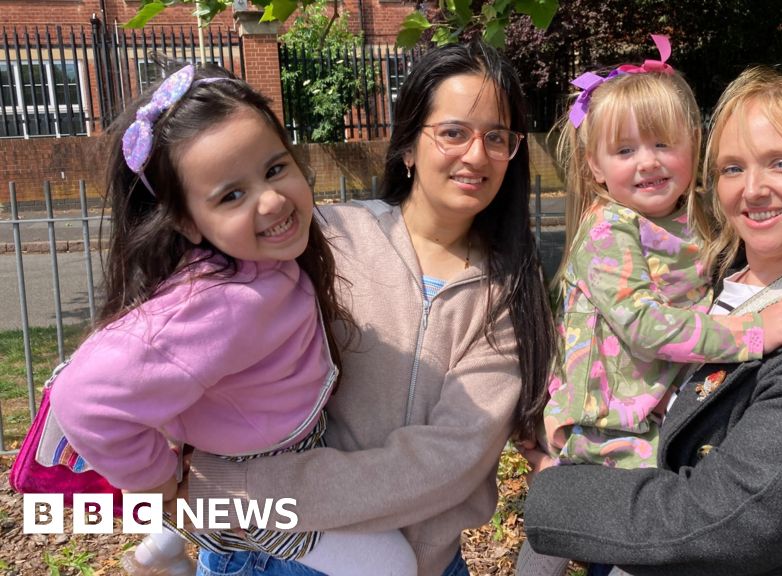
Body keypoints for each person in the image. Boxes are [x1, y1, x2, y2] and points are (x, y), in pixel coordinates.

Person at [522, 66, 782, 575]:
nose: (754, 189)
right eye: (733, 168)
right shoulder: (710, 280)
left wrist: (555, 486)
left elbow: (725, 528)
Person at [182, 41, 556, 576]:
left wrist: (241, 488)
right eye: (453, 132)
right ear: (408, 147)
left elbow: (450, 461)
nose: (476, 155)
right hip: (277, 553)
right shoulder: (326, 240)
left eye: (496, 137)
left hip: (422, 562)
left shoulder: (508, 291)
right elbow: (206, 326)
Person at [49, 64, 416, 576]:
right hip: (250, 480)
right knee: (393, 565)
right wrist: (157, 485)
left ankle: (164, 544)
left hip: (270, 452)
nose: (271, 200)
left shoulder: (258, 262)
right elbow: (82, 397)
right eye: (231, 195)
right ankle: (180, 529)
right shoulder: (225, 300)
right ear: (187, 223)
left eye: (274, 168)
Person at [518, 37, 782, 576]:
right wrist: (752, 333)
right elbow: (647, 328)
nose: (647, 162)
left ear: (692, 147)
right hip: (608, 428)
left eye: (661, 143)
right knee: (603, 536)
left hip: (655, 417)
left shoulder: (694, 219)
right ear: (595, 170)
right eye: (625, 151)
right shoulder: (610, 229)